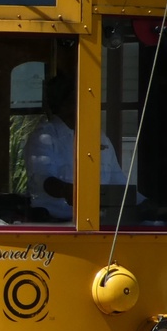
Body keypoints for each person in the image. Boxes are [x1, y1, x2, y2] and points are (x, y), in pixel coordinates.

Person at [24, 72, 126, 221]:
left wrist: (146, 204)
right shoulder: (44, 137)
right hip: (54, 225)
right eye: (78, 100)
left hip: (101, 222)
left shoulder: (99, 136)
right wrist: (69, 191)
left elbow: (118, 182)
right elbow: (43, 180)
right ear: (63, 105)